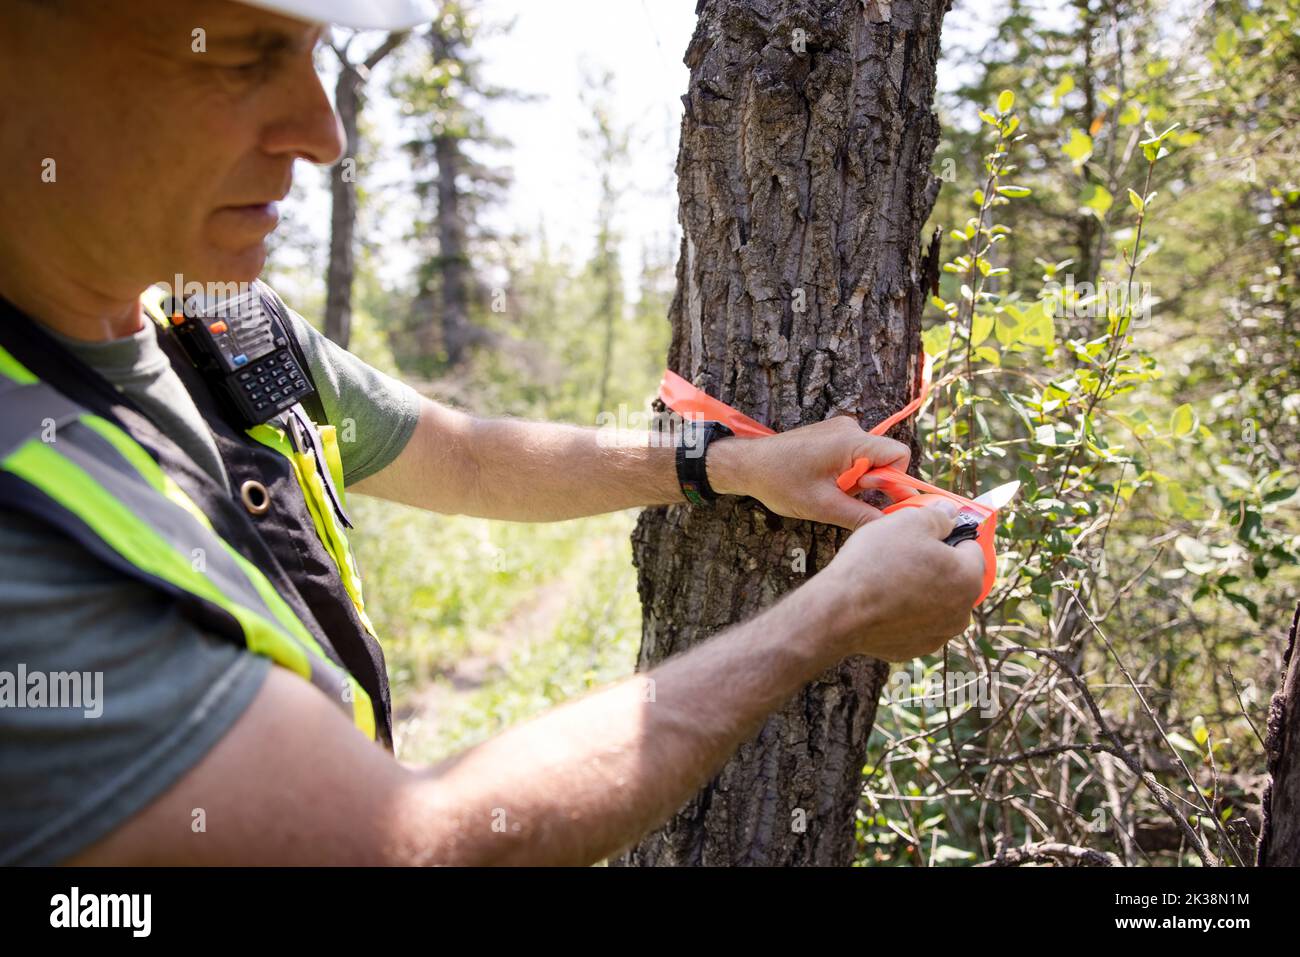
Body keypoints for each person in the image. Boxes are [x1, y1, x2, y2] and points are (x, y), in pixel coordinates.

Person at [0, 0, 985, 865]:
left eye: (311, 53)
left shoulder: (214, 326)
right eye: (243, 55)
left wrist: (735, 464)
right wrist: (832, 618)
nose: (322, 129)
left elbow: (463, 457)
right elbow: (405, 844)